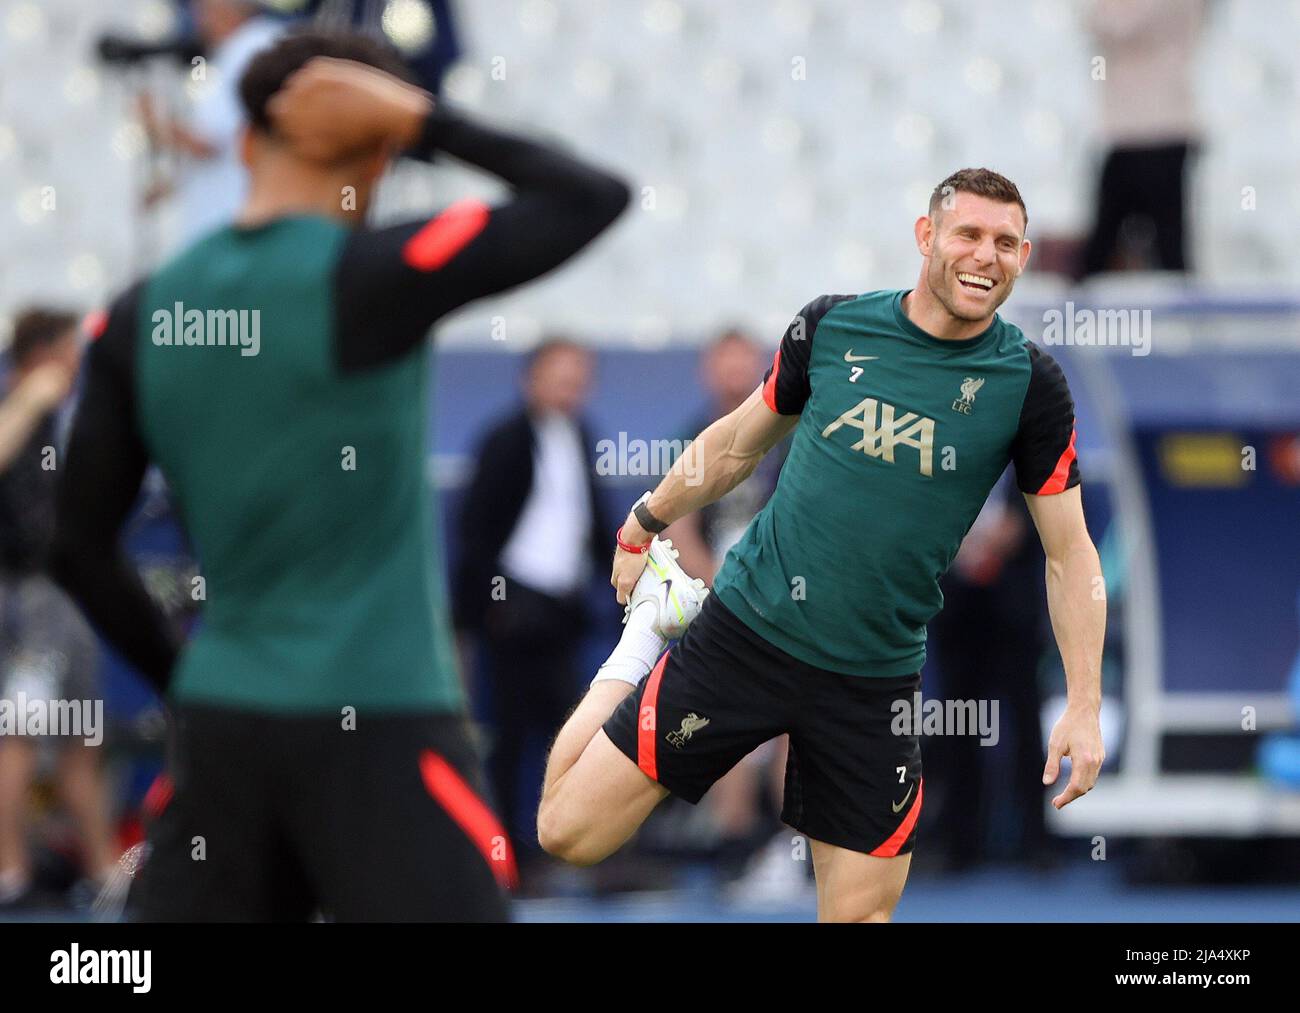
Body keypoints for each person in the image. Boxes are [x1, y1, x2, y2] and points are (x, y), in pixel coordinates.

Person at [51, 30, 629, 921]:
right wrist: (426, 114)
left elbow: (76, 544)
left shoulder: (140, 313)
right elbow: (590, 197)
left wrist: (182, 680)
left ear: (245, 143)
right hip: (384, 723)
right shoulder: (371, 276)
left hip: (223, 733)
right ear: (382, 148)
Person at [536, 168, 1107, 922]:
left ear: (1025, 255)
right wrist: (647, 517)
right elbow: (737, 443)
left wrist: (1086, 702)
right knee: (567, 832)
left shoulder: (1030, 384)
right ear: (926, 236)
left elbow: (1070, 554)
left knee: (861, 917)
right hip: (746, 633)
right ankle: (645, 642)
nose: (986, 255)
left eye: (1006, 242)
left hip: (872, 683)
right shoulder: (833, 327)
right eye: (969, 233)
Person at [452, 338, 610, 857]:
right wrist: (489, 608)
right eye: (560, 375)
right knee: (510, 738)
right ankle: (508, 856)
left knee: (570, 732)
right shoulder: (505, 440)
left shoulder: (581, 436)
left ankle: (567, 846)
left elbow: (592, 525)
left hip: (561, 612)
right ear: (532, 379)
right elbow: (475, 532)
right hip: (512, 611)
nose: (570, 387)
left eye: (578, 377)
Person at [0, 310, 119, 909]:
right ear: (42, 353)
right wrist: (28, 395)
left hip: (65, 600)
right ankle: (9, 874)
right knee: (17, 733)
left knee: (80, 737)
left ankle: (102, 872)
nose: (76, 362)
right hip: (27, 601)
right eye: (68, 350)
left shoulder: (57, 417)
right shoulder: (22, 399)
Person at [137, 0, 285, 244]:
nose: (199, 19)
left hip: (229, 226)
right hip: (246, 221)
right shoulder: (260, 44)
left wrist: (153, 121)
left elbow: (210, 143)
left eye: (203, 8)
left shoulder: (247, 48)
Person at [1077, 0, 1205, 278]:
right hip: (1134, 134)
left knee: (1170, 251)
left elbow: (1114, 24)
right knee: (1100, 251)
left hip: (1159, 133)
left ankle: (1190, 317)